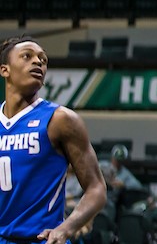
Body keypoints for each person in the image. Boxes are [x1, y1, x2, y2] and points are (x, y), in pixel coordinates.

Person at [0, 36, 107, 243]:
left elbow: (97, 188)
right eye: (27, 56)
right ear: (5, 70)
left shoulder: (61, 120)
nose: (38, 62)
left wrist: (66, 228)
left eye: (43, 59)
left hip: (42, 239)